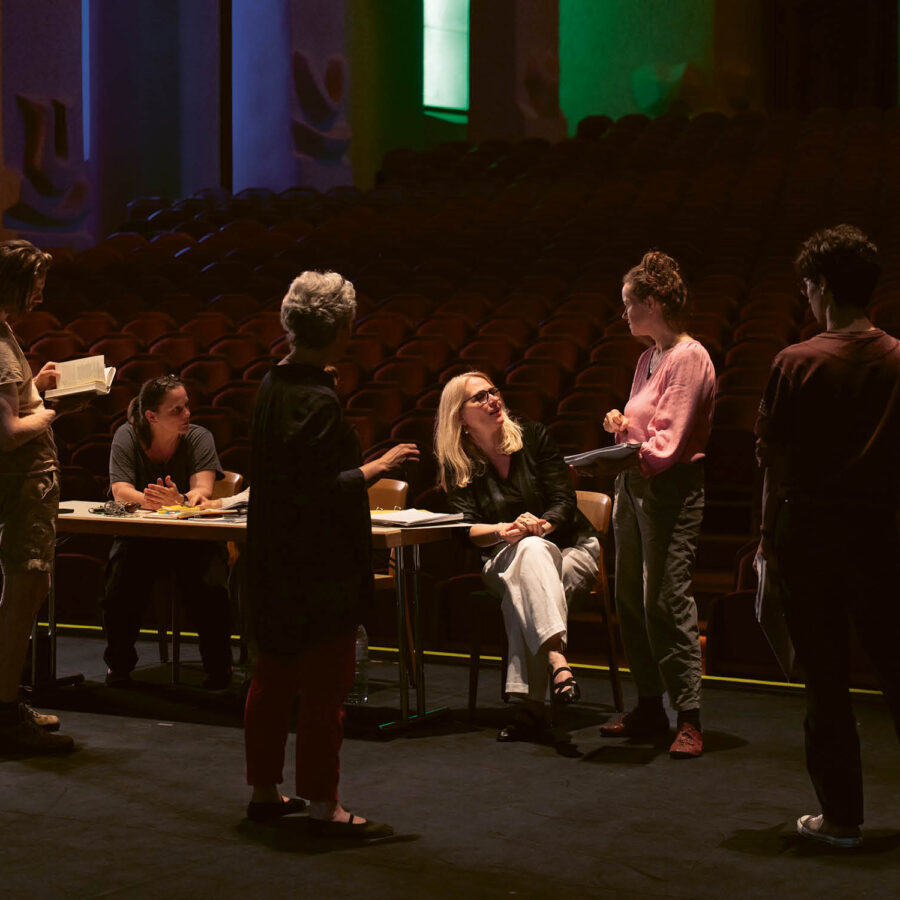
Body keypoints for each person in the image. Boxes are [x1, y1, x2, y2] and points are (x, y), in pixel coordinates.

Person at [244, 270, 417, 838]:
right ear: (342, 329)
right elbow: (321, 490)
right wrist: (378, 466)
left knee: (272, 681)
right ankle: (325, 805)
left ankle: (264, 792)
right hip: (319, 568)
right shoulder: (316, 401)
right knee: (324, 688)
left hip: (272, 561)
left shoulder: (274, 384)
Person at [755, 224, 900, 848]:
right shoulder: (898, 359)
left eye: (808, 286)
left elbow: (775, 463)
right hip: (884, 535)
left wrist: (765, 539)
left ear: (821, 287)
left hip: (810, 535)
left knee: (827, 682)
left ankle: (841, 819)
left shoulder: (795, 362)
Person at [435, 371, 600, 743]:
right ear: (459, 415)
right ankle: (557, 658)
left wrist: (539, 527)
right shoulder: (457, 462)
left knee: (524, 578)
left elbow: (564, 500)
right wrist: (502, 531)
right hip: (502, 558)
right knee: (527, 557)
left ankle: (531, 706)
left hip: (572, 549)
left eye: (493, 391)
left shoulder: (534, 436)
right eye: (480, 397)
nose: (493, 400)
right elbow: (464, 529)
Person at [596, 251, 715, 759]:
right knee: (630, 598)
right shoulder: (649, 358)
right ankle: (649, 705)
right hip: (634, 485)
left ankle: (689, 716)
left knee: (665, 600)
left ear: (652, 303)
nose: (624, 313)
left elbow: (669, 441)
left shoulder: (689, 356)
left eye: (629, 303)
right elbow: (646, 426)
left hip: (669, 489)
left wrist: (628, 450)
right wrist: (622, 426)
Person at [103, 375, 233, 689]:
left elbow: (202, 491)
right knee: (120, 582)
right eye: (176, 410)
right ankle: (119, 666)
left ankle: (219, 670)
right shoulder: (127, 436)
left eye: (186, 406)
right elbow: (121, 491)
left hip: (192, 538)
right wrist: (156, 501)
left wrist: (180, 500)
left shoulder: (199, 437)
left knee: (210, 586)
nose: (187, 414)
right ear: (151, 416)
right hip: (144, 537)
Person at [0, 239, 78, 755]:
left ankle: (8, 701)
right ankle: (5, 715)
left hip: (31, 486)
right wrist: (54, 409)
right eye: (36, 285)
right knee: (23, 593)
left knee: (29, 591)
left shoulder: (5, 331)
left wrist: (37, 384)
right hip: (25, 485)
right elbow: (7, 433)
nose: (41, 295)